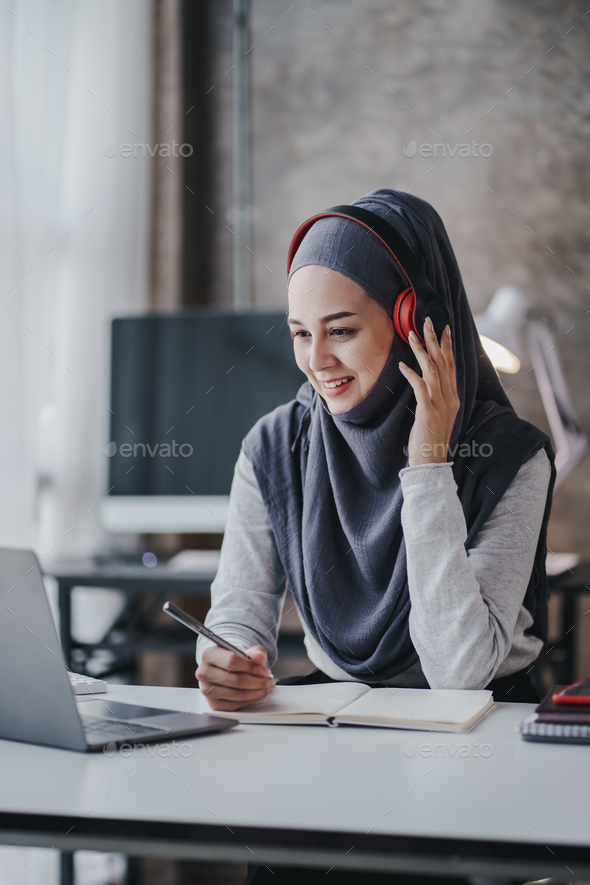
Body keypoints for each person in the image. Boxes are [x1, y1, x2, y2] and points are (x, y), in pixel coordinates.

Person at [195, 189, 555, 882]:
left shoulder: (510, 455)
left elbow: (458, 671)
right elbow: (240, 605)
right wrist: (231, 656)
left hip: (479, 743)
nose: (317, 360)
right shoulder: (275, 446)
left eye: (341, 329)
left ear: (411, 320)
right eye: (301, 333)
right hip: (337, 727)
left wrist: (429, 463)